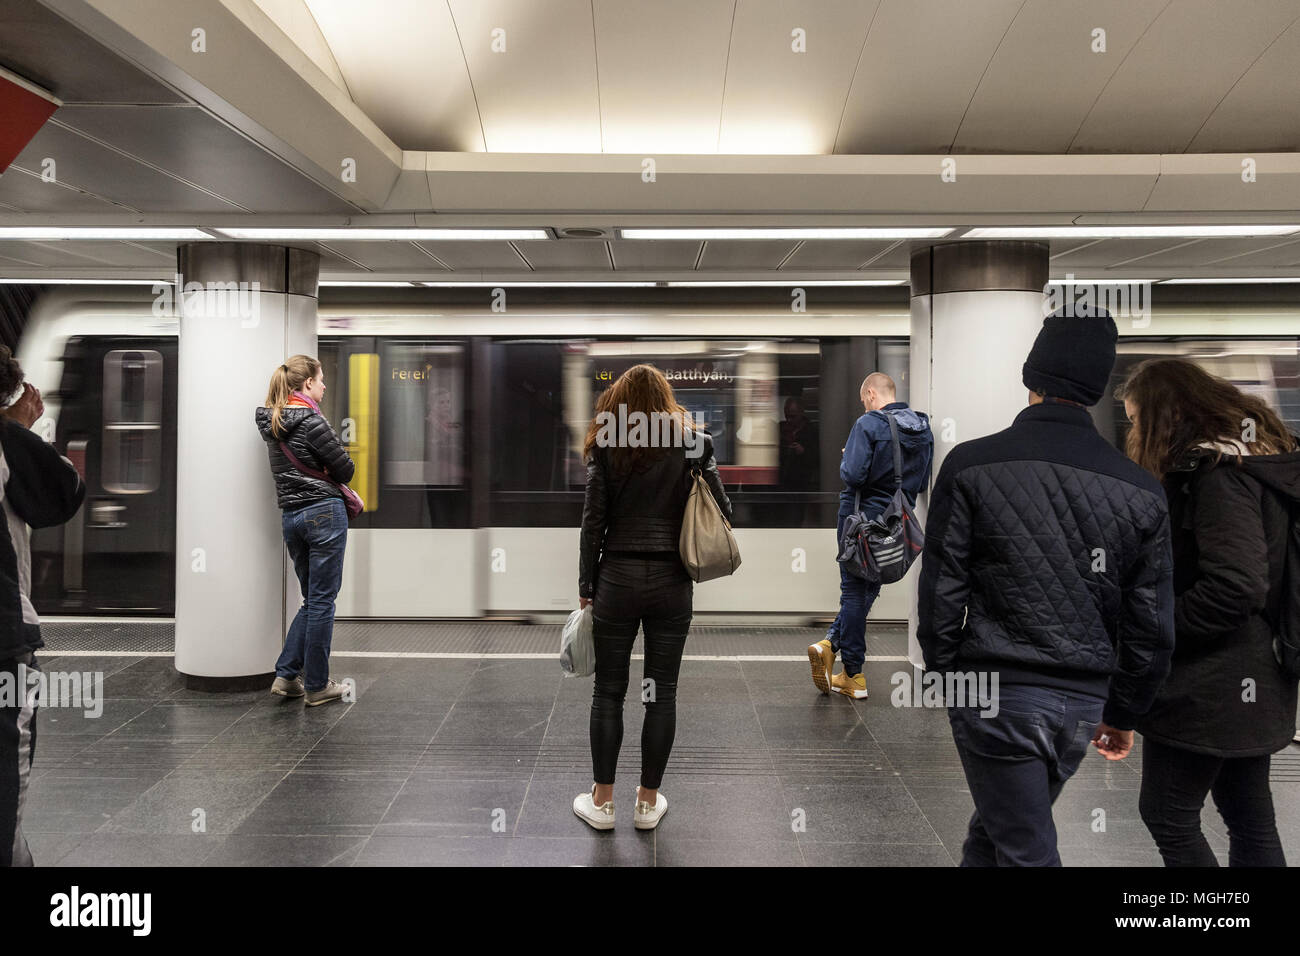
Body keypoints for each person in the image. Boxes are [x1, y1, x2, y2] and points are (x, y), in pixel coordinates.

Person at [917, 310, 1175, 867]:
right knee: (997, 833)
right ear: (1097, 389)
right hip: (1083, 700)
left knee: (1023, 849)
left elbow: (943, 585)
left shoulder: (971, 463)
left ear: (1031, 379)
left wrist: (942, 674)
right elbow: (1151, 622)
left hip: (994, 690)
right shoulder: (1141, 489)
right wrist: (1125, 712)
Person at [1118, 358, 1299, 866]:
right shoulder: (1264, 465)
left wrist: (1160, 628)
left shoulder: (1217, 477)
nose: (1134, 432)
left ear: (1165, 417)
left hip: (1210, 682)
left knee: (1168, 813)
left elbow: (1236, 586)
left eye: (1136, 420)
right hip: (1259, 670)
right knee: (1249, 814)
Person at [573, 364, 731, 831]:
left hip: (616, 579)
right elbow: (724, 510)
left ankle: (602, 804)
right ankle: (647, 802)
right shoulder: (693, 443)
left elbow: (592, 523)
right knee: (661, 695)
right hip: (671, 581)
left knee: (608, 691)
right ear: (666, 400)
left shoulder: (606, 442)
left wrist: (586, 587)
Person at [0, 347, 86, 867]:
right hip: (4, 636)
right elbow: (64, 494)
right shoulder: (7, 442)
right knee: (8, 766)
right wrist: (16, 428)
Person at [808, 372, 932, 698]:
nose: (864, 405)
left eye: (865, 399)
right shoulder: (922, 427)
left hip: (859, 519)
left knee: (852, 590)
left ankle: (853, 674)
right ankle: (830, 644)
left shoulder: (868, 425)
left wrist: (848, 454)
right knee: (869, 586)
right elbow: (919, 483)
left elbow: (852, 474)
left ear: (872, 394)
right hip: (897, 520)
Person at [254, 355, 355, 707]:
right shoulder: (312, 420)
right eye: (321, 379)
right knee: (323, 601)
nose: (325, 385)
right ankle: (316, 685)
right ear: (307, 384)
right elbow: (345, 470)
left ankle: (286, 676)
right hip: (323, 514)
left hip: (291, 519)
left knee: (312, 599)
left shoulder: (273, 421)